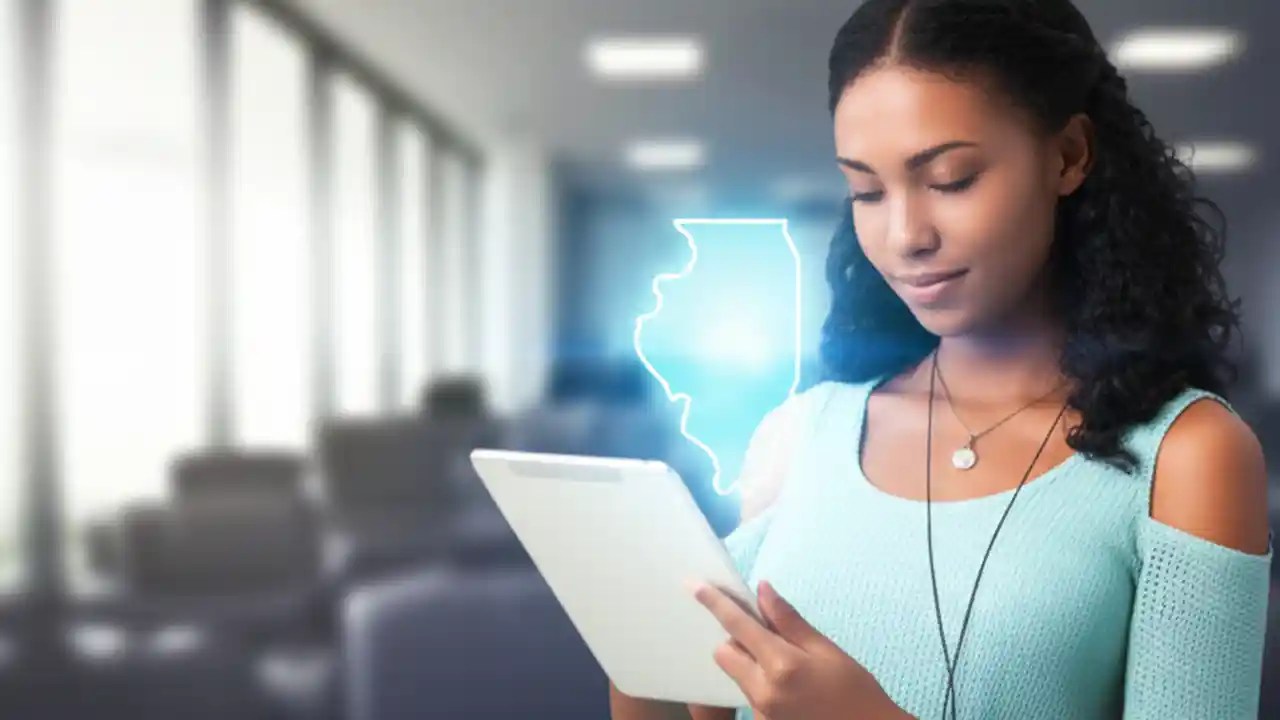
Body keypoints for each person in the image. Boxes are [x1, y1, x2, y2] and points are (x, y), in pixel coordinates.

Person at [610, 0, 1273, 718]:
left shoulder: (1188, 457)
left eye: (952, 179)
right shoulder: (799, 435)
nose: (904, 235)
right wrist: (640, 668)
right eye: (866, 190)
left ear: (1068, 156)